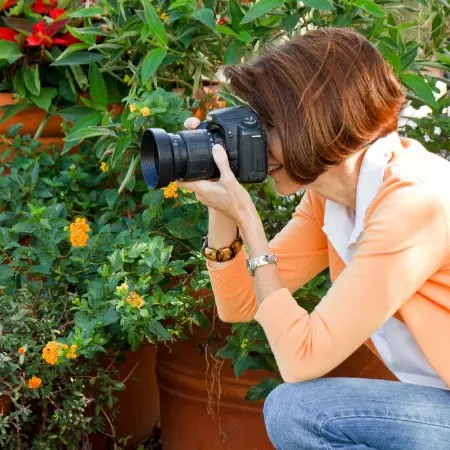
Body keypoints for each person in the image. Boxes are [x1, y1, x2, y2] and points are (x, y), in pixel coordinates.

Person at [178, 28, 450, 449]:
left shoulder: (412, 204)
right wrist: (219, 197)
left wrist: (249, 220)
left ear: (315, 120)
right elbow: (239, 303)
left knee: (301, 411)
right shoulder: (333, 198)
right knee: (298, 410)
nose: (254, 141)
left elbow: (300, 360)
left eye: (267, 125)